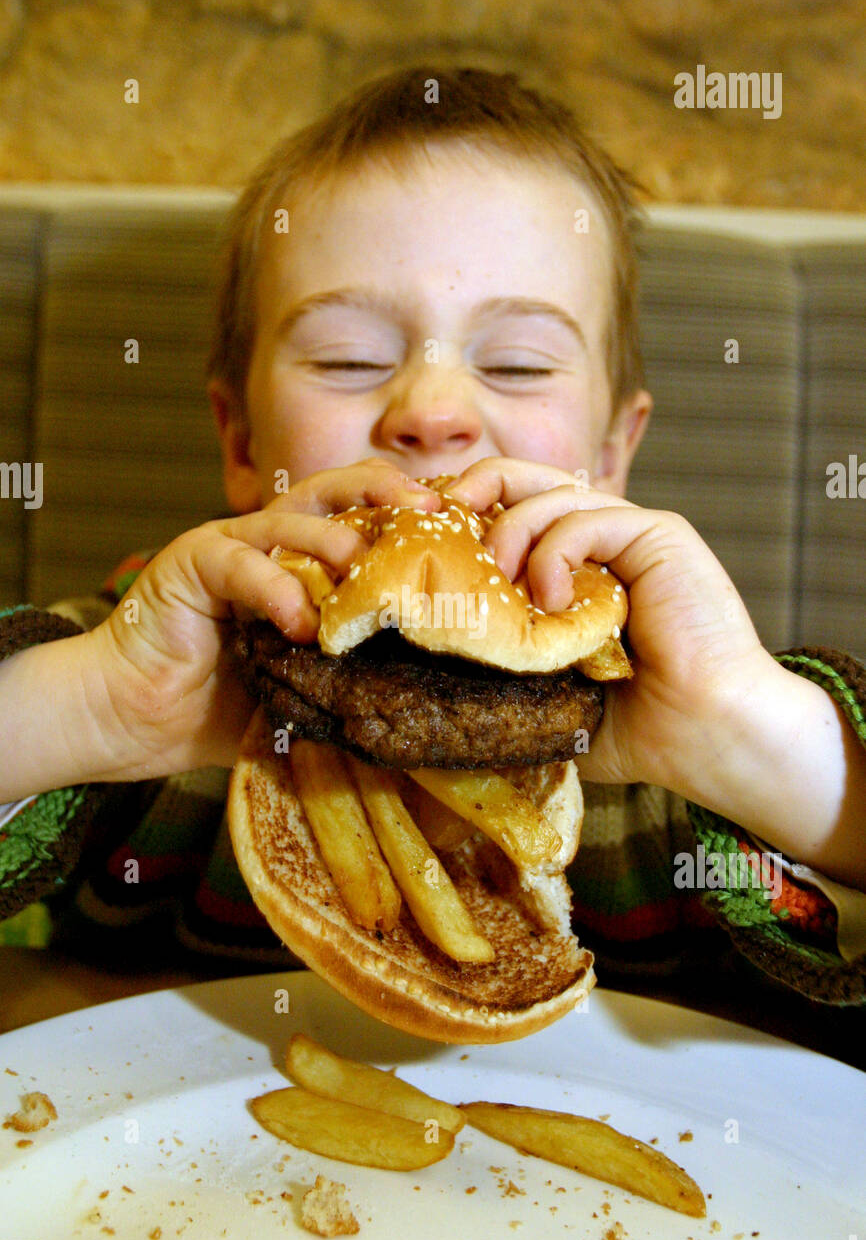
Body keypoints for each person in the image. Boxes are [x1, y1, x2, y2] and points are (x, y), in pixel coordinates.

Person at [1, 66, 864, 1007]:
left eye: (517, 363)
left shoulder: (682, 706)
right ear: (241, 445)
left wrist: (750, 742)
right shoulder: (157, 648)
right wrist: (92, 711)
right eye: (350, 357)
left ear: (612, 455)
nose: (434, 411)